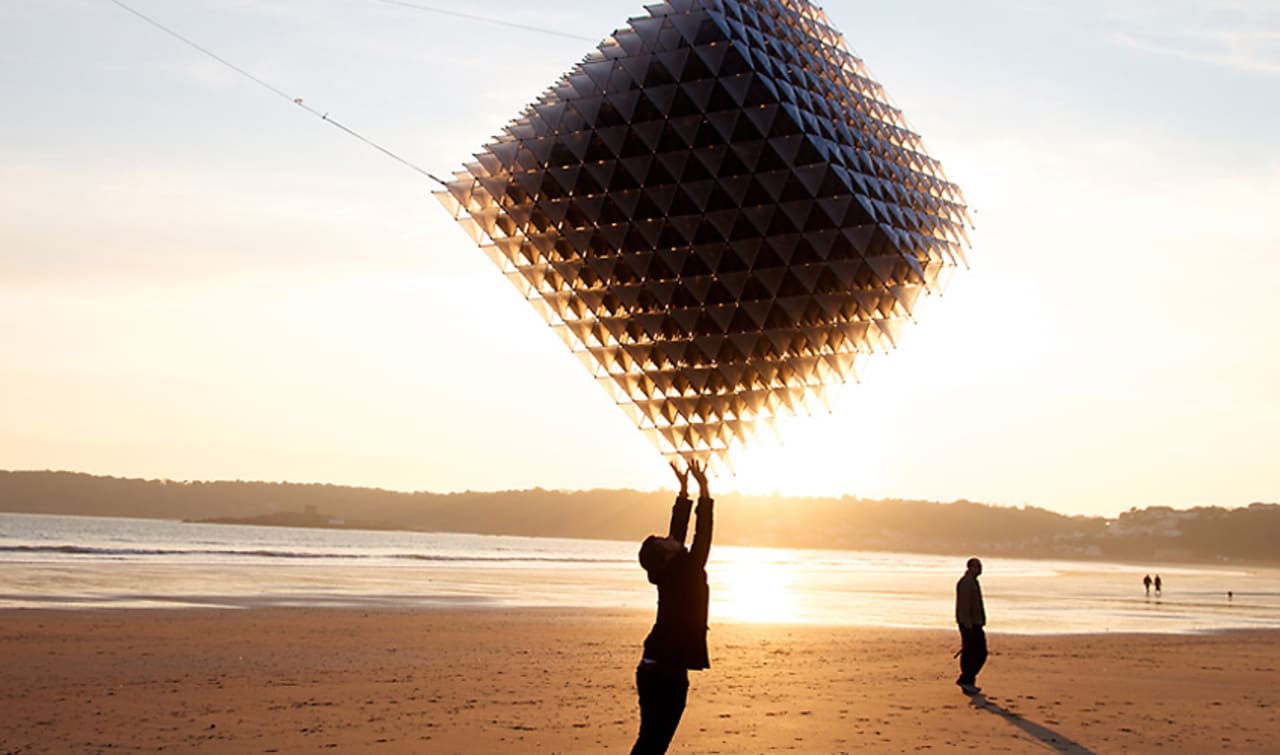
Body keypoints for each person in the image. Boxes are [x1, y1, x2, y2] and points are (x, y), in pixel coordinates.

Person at [631, 459, 714, 755]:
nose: (670, 539)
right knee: (654, 743)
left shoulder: (669, 571)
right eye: (665, 542)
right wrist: (704, 492)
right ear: (666, 556)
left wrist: (684, 491)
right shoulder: (687, 569)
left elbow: (678, 531)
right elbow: (702, 534)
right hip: (667, 670)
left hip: (655, 666)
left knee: (650, 742)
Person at [955, 557, 987, 695]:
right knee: (976, 653)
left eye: (980, 566)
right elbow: (964, 605)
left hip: (975, 623)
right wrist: (968, 625)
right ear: (970, 567)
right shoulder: (966, 583)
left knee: (975, 653)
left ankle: (968, 681)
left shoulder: (973, 582)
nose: (980, 569)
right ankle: (966, 680)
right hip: (970, 624)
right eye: (977, 566)